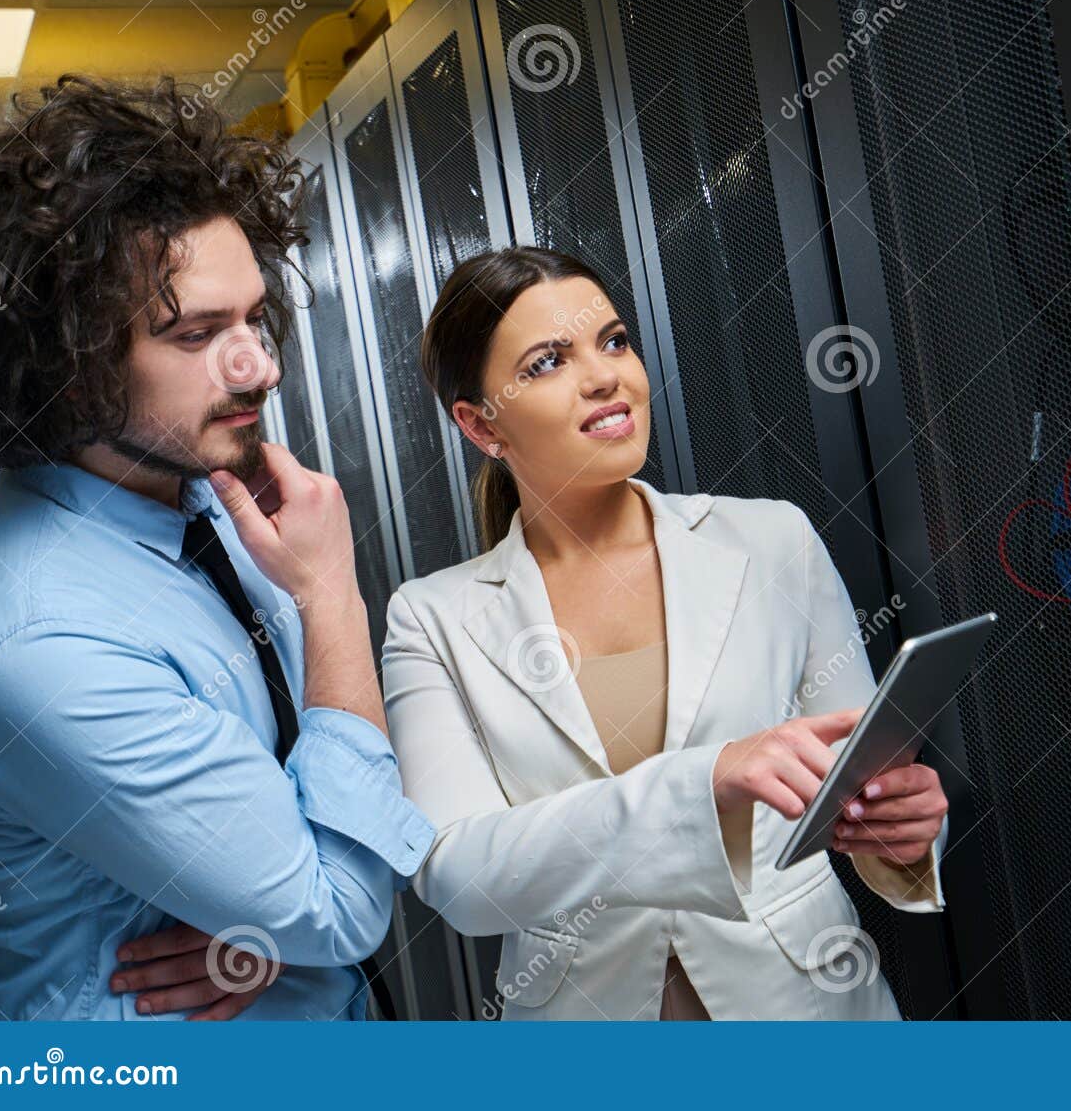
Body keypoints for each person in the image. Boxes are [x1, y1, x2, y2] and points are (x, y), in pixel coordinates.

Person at [0, 75, 433, 1020]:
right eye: (196, 333)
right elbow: (340, 903)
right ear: (67, 366)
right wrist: (333, 597)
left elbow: (306, 853)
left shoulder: (206, 493)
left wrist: (267, 914)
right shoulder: (42, 645)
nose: (259, 366)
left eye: (254, 318)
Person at [382, 246, 950, 1020]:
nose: (604, 375)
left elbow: (853, 776)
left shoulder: (771, 540)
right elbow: (459, 873)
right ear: (482, 425)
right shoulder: (432, 617)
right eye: (548, 362)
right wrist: (703, 781)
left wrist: (905, 831)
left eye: (613, 341)